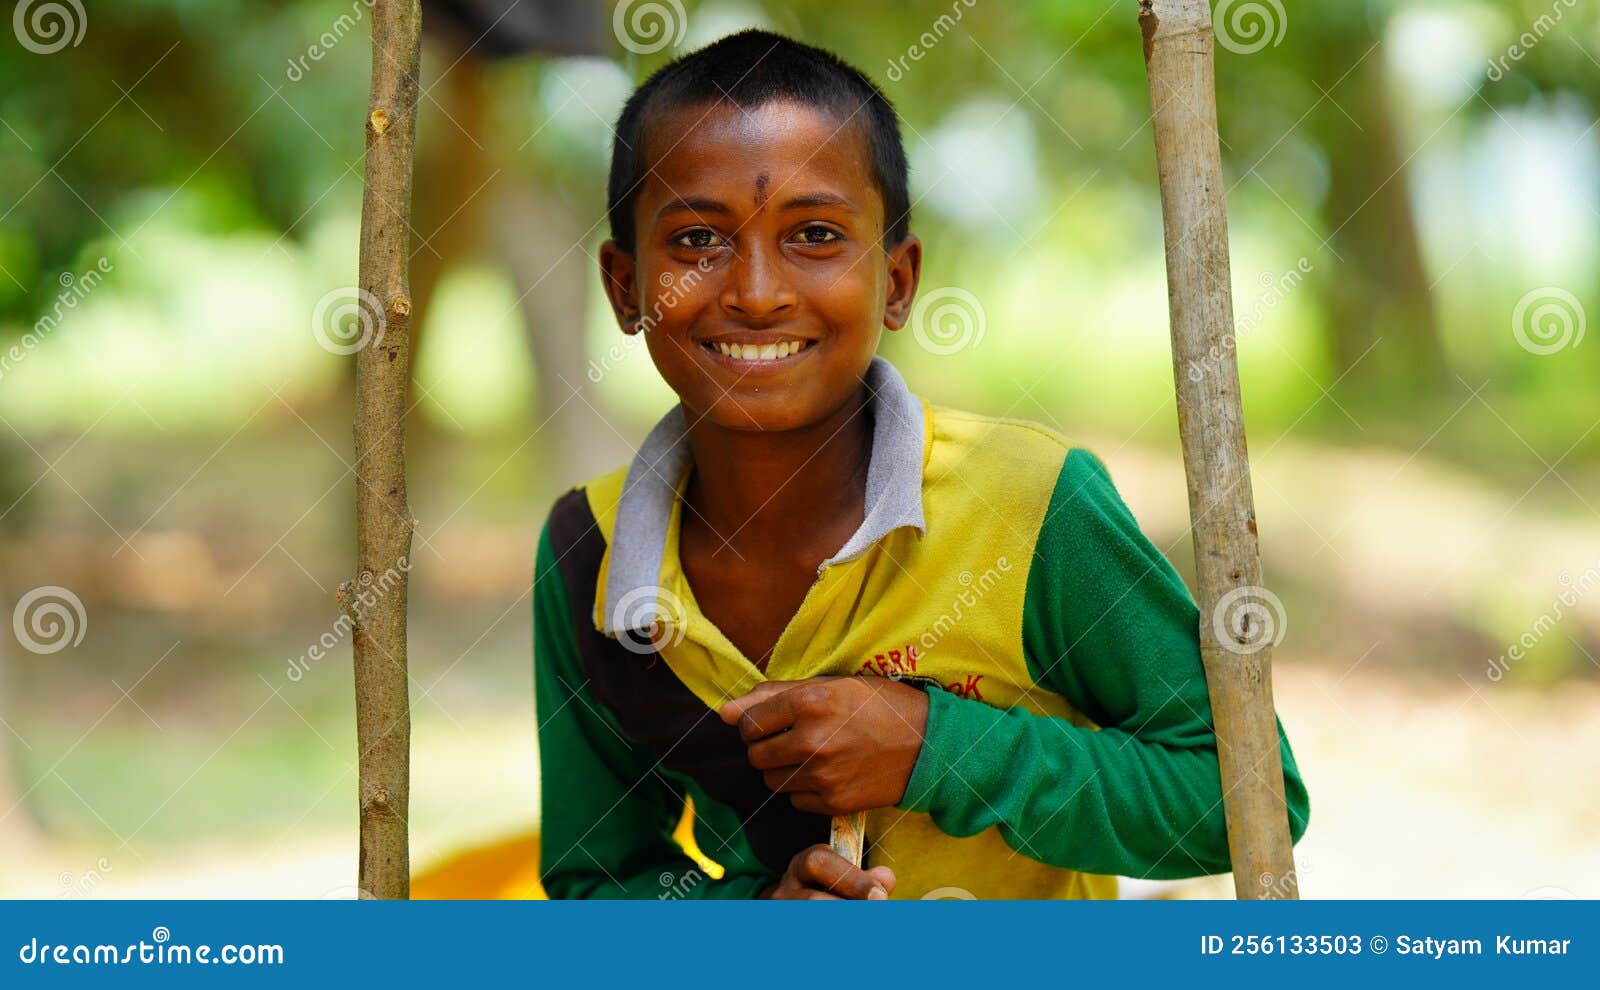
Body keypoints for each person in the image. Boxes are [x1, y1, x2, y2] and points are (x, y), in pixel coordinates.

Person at [534, 28, 1309, 900]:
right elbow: (594, 878)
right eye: (696, 242)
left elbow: (1248, 800)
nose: (755, 292)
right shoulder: (589, 555)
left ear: (897, 282)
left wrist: (937, 749)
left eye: (816, 234)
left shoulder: (1028, 503)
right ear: (625, 287)